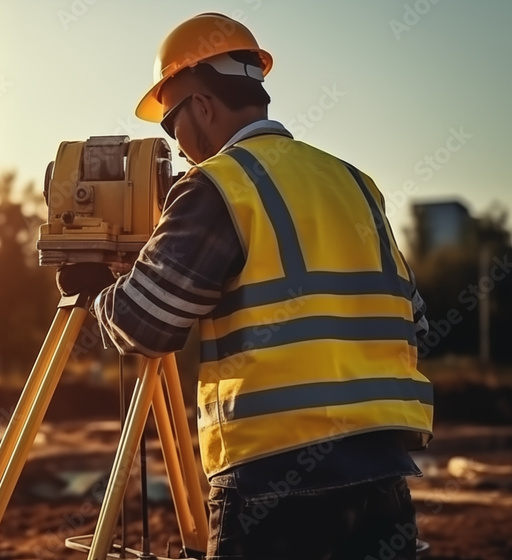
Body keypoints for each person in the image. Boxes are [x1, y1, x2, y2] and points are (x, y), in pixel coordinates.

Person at [56, 13, 434, 560]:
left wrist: (95, 290)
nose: (176, 145)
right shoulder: (353, 181)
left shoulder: (219, 186)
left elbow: (144, 323)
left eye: (170, 124)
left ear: (203, 107)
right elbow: (414, 320)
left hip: (274, 479)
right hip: (381, 472)